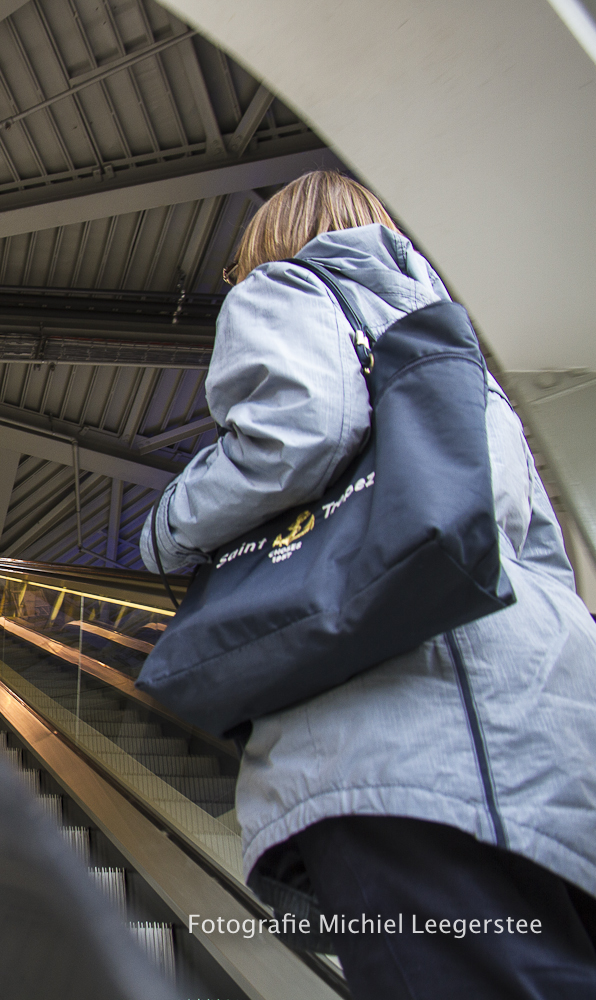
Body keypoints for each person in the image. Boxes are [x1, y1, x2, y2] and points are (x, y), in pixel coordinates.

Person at [140, 171, 596, 999]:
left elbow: (292, 433)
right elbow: (536, 555)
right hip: (550, 747)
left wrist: (167, 526)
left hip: (394, 751)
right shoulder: (449, 353)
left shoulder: (286, 284)